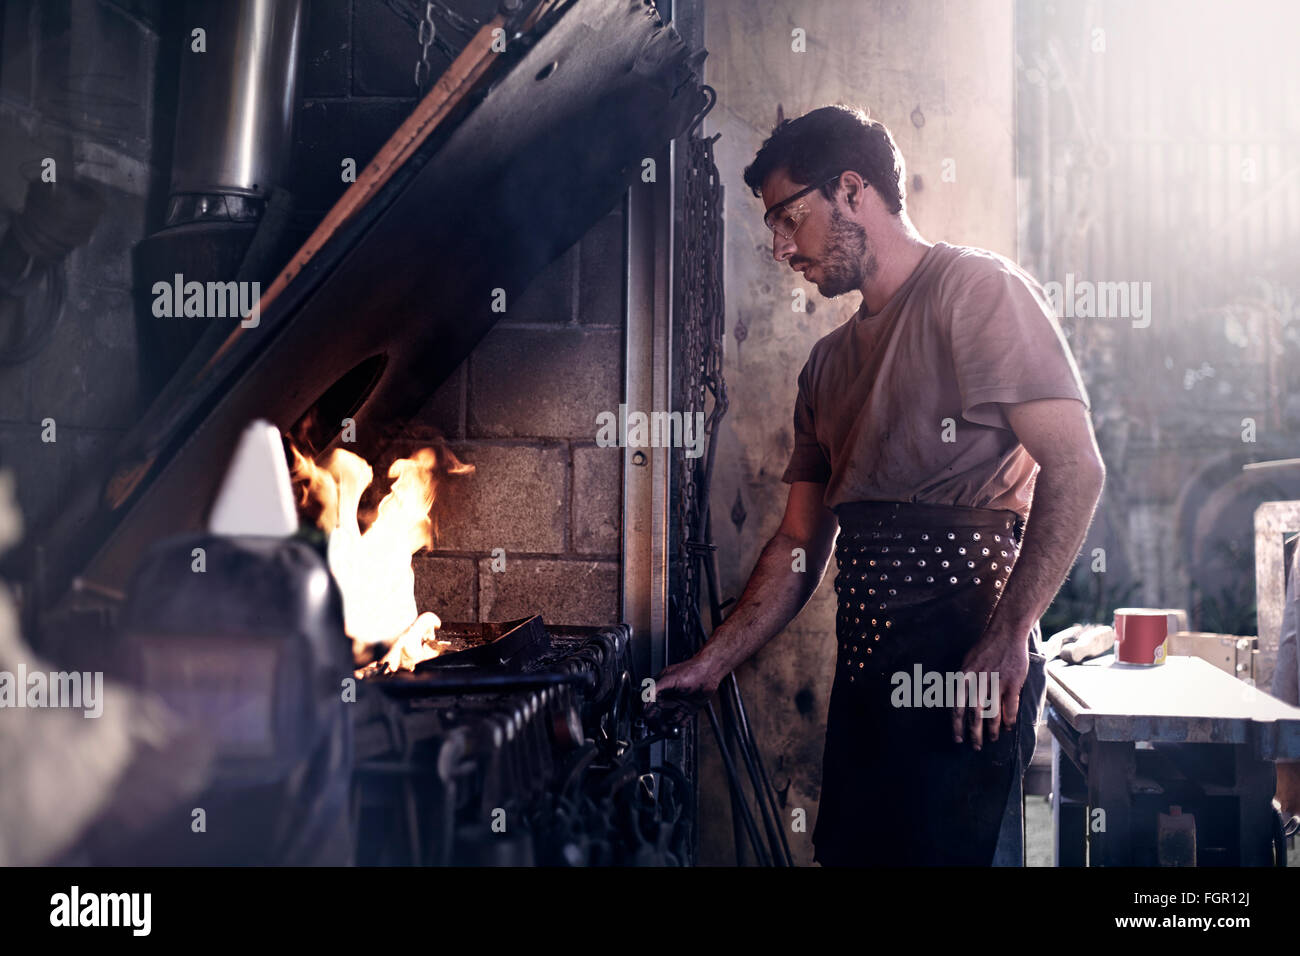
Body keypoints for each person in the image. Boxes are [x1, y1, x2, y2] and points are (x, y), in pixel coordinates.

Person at [650, 105, 1105, 865]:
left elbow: (1077, 466)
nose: (779, 246)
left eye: (789, 218)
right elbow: (800, 543)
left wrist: (1005, 640)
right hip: (866, 680)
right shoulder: (825, 367)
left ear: (853, 190)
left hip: (968, 675)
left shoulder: (977, 292)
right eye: (772, 227)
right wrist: (712, 661)